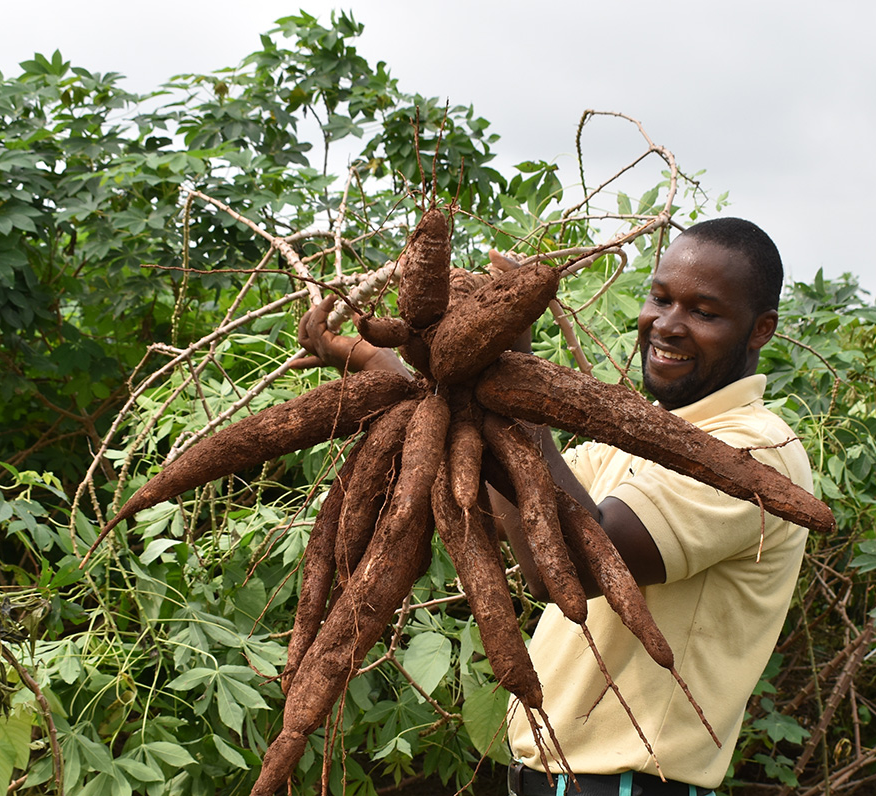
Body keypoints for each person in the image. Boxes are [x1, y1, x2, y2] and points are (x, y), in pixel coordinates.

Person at [295, 218, 813, 796]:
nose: (667, 325)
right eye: (660, 298)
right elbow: (517, 489)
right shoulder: (635, 438)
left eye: (704, 312)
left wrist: (514, 374)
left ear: (760, 328)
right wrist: (398, 369)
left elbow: (563, 565)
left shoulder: (751, 453)